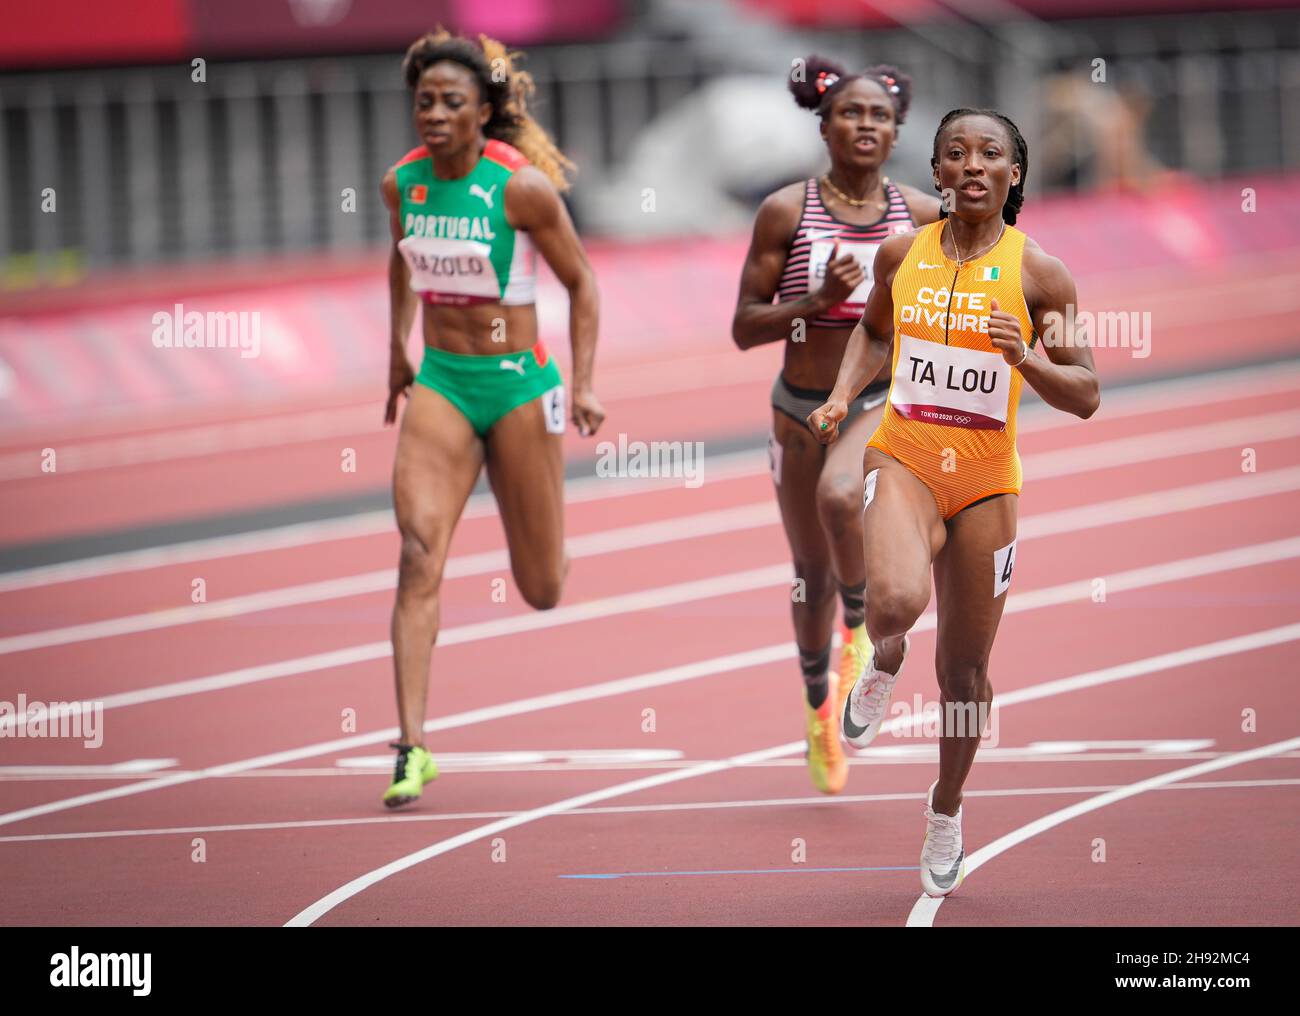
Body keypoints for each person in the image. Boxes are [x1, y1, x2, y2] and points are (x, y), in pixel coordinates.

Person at [809, 108, 1100, 894]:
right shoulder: (903, 254)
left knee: (965, 673)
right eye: (956, 154)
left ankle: (945, 806)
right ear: (937, 172)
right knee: (896, 602)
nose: (972, 165)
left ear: (1015, 175)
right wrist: (842, 396)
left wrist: (1027, 362)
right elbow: (872, 333)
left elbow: (1087, 393)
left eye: (990, 154)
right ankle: (883, 657)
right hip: (905, 453)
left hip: (985, 482)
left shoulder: (1043, 275)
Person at [381, 30, 604, 807]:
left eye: (451, 103)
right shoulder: (402, 185)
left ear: (484, 112)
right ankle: (411, 745)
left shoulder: (521, 189)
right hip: (443, 380)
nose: (434, 115)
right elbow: (401, 262)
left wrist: (582, 385)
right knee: (417, 551)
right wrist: (396, 351)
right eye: (424, 102)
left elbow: (582, 284)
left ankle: (551, 542)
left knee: (540, 586)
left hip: (517, 384)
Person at [732, 56, 940, 794]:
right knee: (807, 576)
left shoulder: (918, 216)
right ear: (824, 125)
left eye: (879, 116)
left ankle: (860, 629)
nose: (865, 125)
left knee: (839, 497)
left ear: (896, 133)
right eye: (851, 113)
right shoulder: (787, 211)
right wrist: (812, 300)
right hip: (796, 407)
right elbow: (744, 328)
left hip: (877, 402)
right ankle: (821, 709)